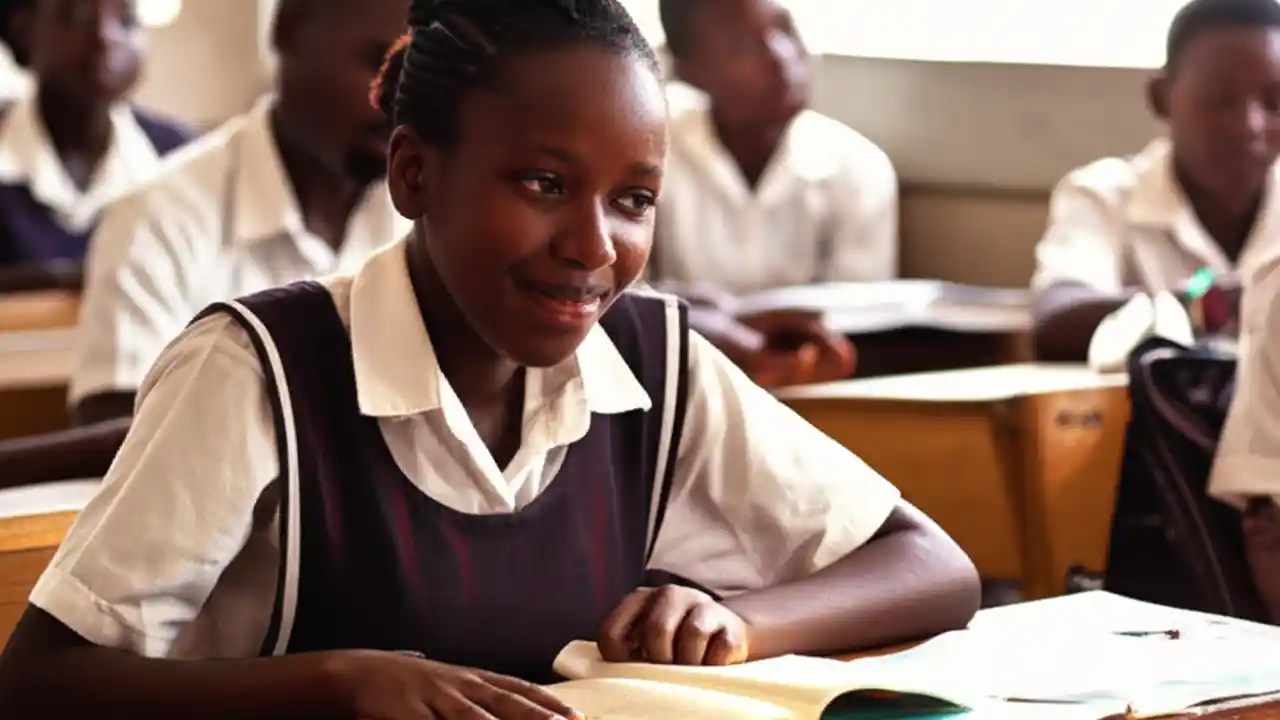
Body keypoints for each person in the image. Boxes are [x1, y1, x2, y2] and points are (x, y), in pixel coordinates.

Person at [0, 1, 980, 716]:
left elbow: (930, 565)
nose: (594, 245)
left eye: (633, 199)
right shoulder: (261, 369)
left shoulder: (650, 361)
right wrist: (333, 682)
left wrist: (742, 621)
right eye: (544, 183)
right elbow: (41, 681)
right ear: (415, 173)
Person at [0, 0, 415, 486]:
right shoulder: (157, 215)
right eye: (377, 63)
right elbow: (127, 443)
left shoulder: (431, 220)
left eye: (418, 76)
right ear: (290, 30)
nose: (401, 102)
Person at [649, 0, 892, 387]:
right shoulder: (653, 152)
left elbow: (862, 321)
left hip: (808, 388)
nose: (781, 58)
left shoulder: (858, 168)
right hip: (677, 378)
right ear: (687, 69)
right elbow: (623, 302)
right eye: (741, 47)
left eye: (786, 30)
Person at [1032, 0, 1280, 361]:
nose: (1248, 125)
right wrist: (1209, 306)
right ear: (1162, 98)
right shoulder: (1102, 194)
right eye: (1219, 99)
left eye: (1275, 102)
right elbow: (1056, 320)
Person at [0, 0, 191, 292]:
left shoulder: (181, 159)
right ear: (24, 33)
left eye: (126, 19)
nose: (106, 36)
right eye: (77, 16)